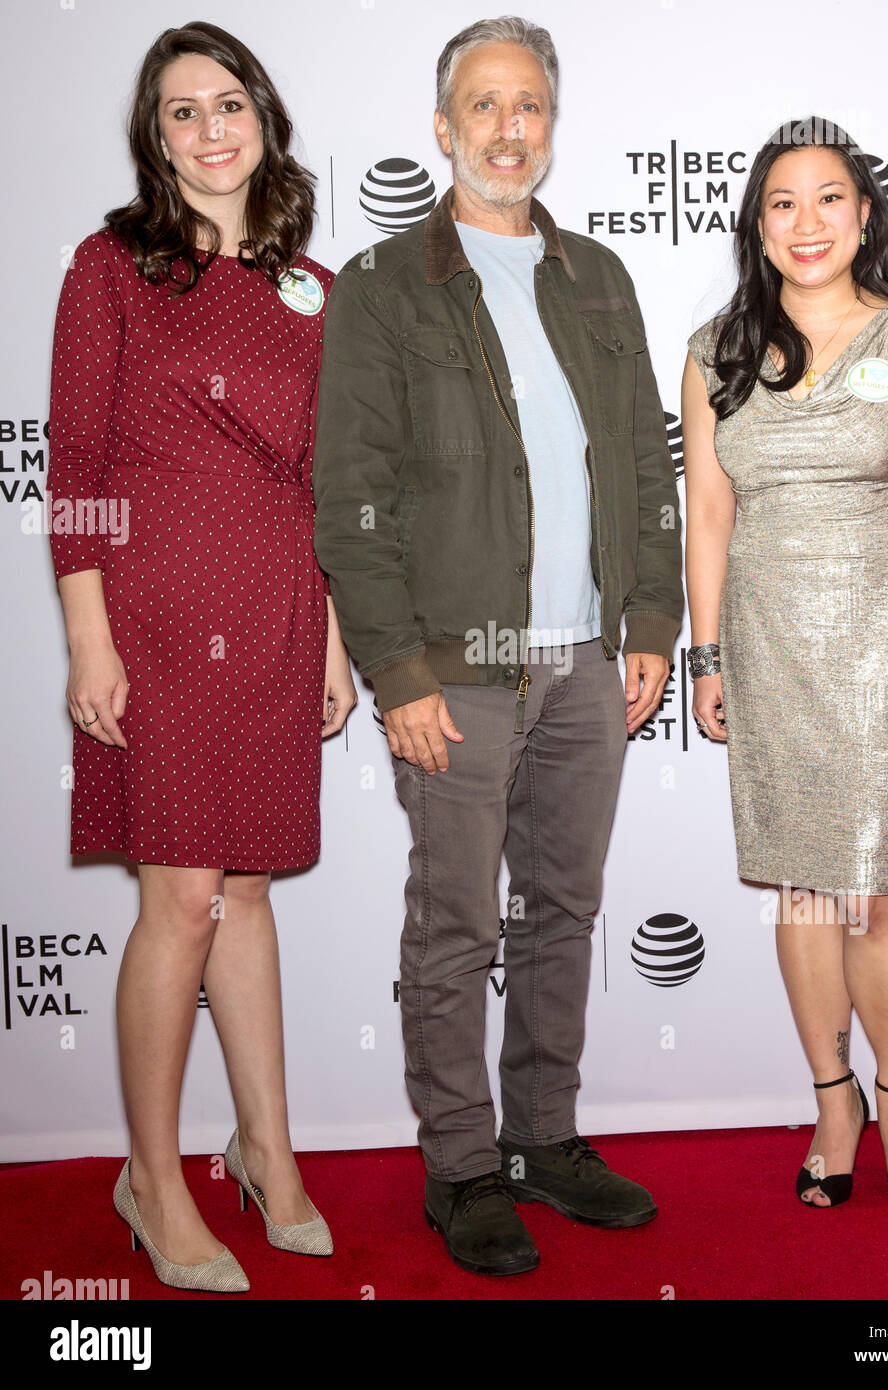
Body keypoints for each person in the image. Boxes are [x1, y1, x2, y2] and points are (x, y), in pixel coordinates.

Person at [313, 16, 683, 1275]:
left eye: (529, 105)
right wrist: (396, 670)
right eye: (484, 105)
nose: (508, 128)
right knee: (456, 922)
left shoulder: (598, 279)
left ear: (550, 124)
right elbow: (348, 496)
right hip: (458, 667)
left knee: (563, 912)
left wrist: (649, 621)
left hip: (587, 660)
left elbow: (642, 457)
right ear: (441, 127)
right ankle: (462, 1165)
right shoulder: (378, 287)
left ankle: (542, 1138)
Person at [47, 21, 354, 1292]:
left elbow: (328, 481)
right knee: (179, 894)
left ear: (263, 120)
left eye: (228, 103)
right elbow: (73, 468)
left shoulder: (317, 289)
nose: (210, 129)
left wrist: (335, 635)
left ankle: (267, 1148)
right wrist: (88, 637)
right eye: (182, 112)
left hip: (280, 605)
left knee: (251, 889)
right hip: (158, 616)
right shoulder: (112, 266)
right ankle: (152, 1176)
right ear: (155, 137)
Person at [683, 116, 888, 1212]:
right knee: (801, 893)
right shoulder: (714, 348)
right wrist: (705, 655)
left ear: (863, 217)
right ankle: (831, 1099)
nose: (804, 223)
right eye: (780, 203)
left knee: (874, 895)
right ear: (757, 228)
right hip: (765, 649)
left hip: (887, 649)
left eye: (826, 199)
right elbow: (706, 519)